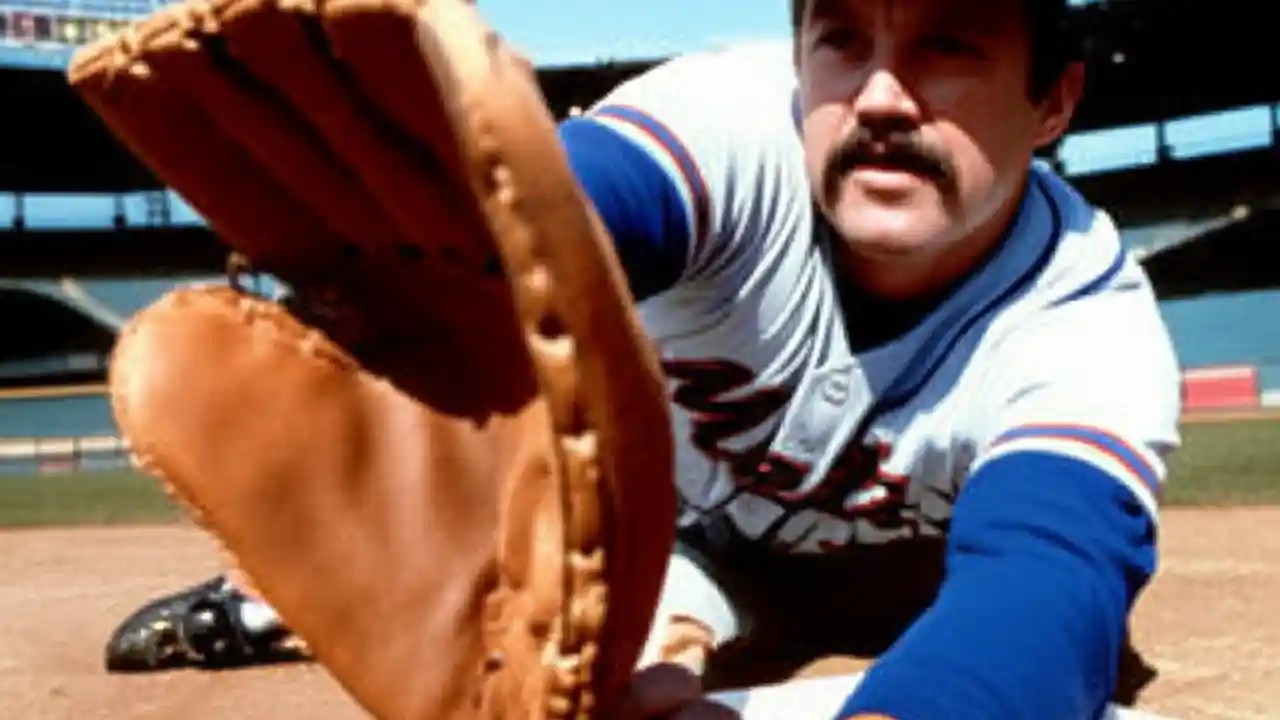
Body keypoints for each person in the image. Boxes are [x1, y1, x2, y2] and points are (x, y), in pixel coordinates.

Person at [107, 2, 1181, 719]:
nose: (881, 96)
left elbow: (1047, 577)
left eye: (950, 44)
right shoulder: (729, 125)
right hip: (656, 530)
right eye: (843, 38)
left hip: (897, 576)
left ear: (1054, 103)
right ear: (799, 56)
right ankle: (284, 598)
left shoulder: (1086, 320)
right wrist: (475, 260)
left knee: (1056, 664)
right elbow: (563, 219)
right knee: (615, 621)